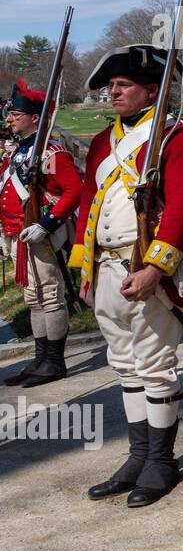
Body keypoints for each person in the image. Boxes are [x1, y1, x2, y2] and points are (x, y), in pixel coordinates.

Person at [71, 45, 183, 507]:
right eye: (111, 85)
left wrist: (155, 267)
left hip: (151, 269)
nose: (113, 91)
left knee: (154, 366)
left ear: (152, 90)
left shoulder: (179, 137)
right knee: (125, 366)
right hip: (106, 266)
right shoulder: (101, 143)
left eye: (123, 84)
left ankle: (161, 461)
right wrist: (84, 265)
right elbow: (89, 202)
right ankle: (138, 456)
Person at [1, 80, 83, 388]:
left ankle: (54, 361)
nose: (9, 119)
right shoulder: (22, 150)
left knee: (50, 296)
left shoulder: (52, 151)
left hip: (40, 233)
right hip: (17, 234)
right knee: (33, 298)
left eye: (16, 114)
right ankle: (39, 360)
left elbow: (74, 191)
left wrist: (46, 224)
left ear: (35, 117)